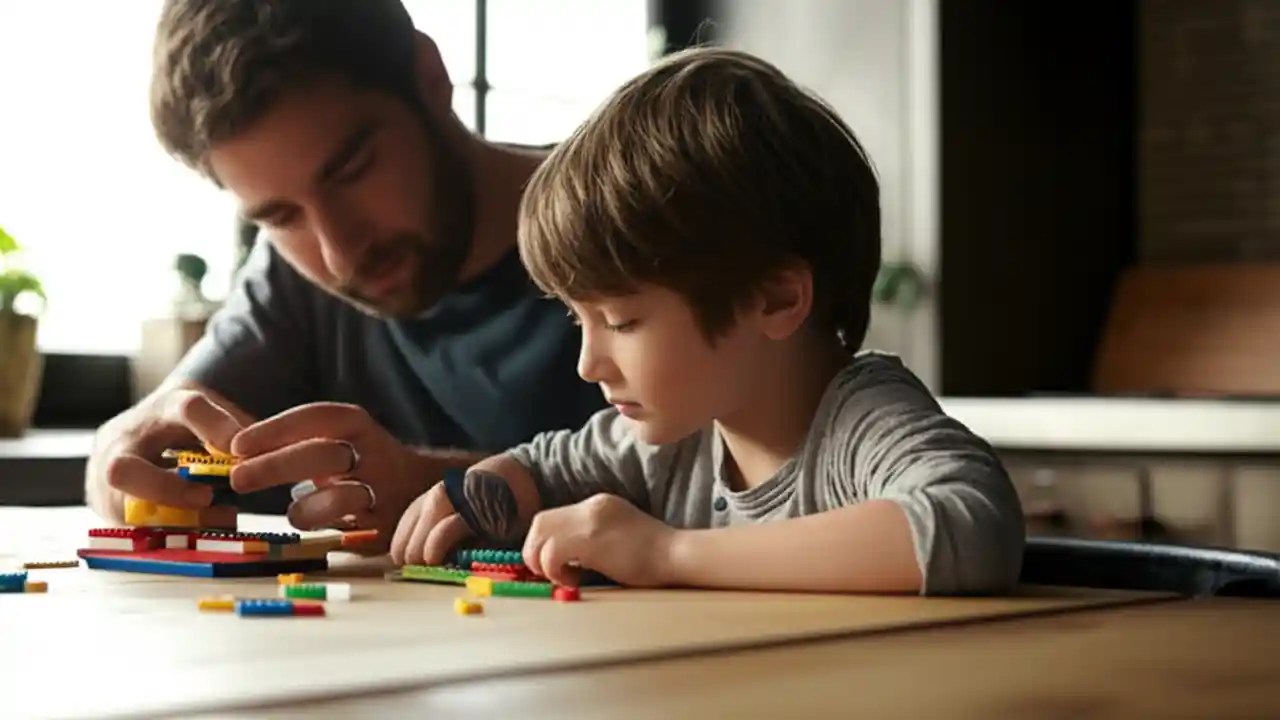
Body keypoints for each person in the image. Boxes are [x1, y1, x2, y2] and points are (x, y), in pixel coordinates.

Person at [390, 47, 1026, 595]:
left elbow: (969, 525)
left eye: (623, 320)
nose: (589, 363)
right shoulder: (667, 442)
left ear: (775, 300)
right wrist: (497, 486)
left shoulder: (859, 427)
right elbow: (546, 466)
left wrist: (668, 553)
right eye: (578, 318)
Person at [84, 0, 607, 545]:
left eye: (353, 172)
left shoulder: (639, 221)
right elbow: (144, 434)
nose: (339, 254)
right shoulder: (288, 281)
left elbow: (699, 482)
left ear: (429, 78)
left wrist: (448, 489)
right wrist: (124, 456)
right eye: (281, 217)